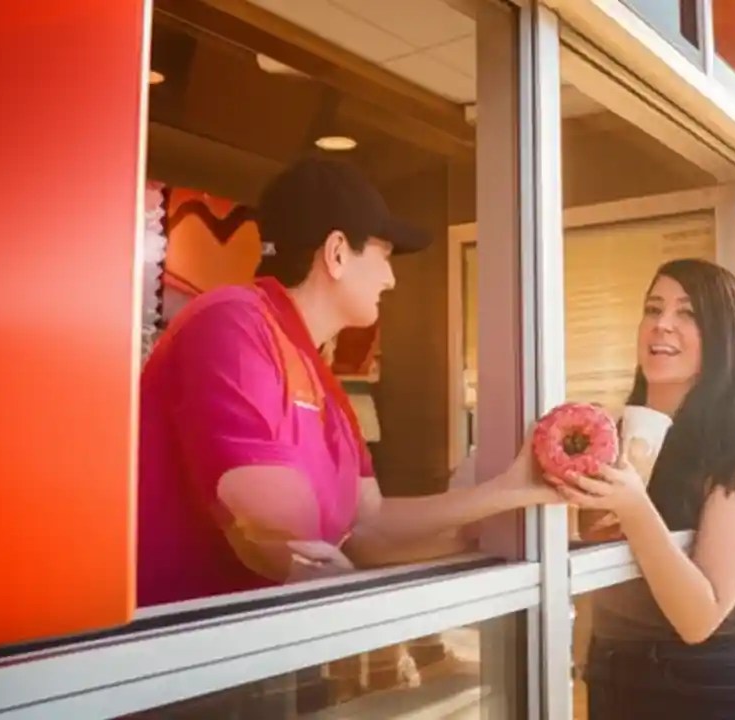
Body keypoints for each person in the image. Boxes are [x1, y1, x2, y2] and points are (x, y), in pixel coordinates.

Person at [137, 156, 555, 608]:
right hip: (181, 655)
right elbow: (273, 529)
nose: (391, 279)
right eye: (384, 256)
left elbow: (368, 526)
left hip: (262, 650)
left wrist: (509, 493)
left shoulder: (315, 370)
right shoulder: (233, 323)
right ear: (337, 253)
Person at [557, 258, 735, 719]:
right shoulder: (607, 437)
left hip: (707, 683)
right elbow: (591, 561)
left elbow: (699, 619)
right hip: (613, 671)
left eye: (688, 313)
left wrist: (636, 509)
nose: (662, 324)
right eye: (653, 308)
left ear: (722, 338)